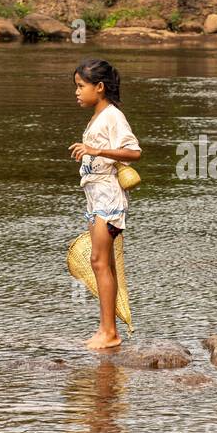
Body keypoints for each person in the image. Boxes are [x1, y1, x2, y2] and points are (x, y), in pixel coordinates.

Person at [70, 59, 141, 350]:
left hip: (108, 199)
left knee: (100, 263)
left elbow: (134, 151)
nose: (76, 92)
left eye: (80, 86)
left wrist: (95, 149)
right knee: (103, 263)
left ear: (99, 87)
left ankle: (109, 331)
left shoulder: (113, 116)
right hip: (95, 198)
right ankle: (106, 329)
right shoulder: (98, 116)